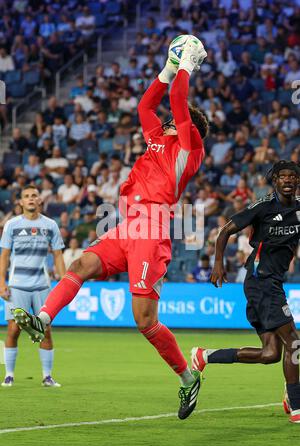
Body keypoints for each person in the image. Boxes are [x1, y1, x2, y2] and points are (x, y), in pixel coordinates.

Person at [12, 38, 208, 420]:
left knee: (144, 321)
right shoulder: (157, 139)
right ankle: (43, 320)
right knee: (81, 265)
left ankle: (187, 378)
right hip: (127, 225)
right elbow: (145, 105)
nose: (165, 123)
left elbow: (179, 103)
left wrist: (185, 66)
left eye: (172, 122)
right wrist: (168, 68)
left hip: (153, 228)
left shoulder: (190, 144)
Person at [191, 160, 300, 424]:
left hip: (270, 282)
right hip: (261, 281)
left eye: (292, 177)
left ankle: (204, 356)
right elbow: (225, 230)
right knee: (295, 342)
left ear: (297, 182)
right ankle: (296, 406)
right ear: (274, 181)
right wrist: (218, 263)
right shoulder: (263, 207)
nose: (287, 180)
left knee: (271, 354)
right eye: (282, 176)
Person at [0, 185, 66, 387]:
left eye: (34, 195)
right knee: (14, 330)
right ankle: (9, 375)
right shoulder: (11, 225)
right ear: (20, 202)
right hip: (17, 286)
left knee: (45, 330)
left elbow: (57, 255)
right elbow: (4, 255)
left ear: (40, 200)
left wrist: (64, 283)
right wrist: (1, 282)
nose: (30, 199)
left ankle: (47, 376)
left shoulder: (51, 225)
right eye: (26, 196)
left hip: (41, 286)